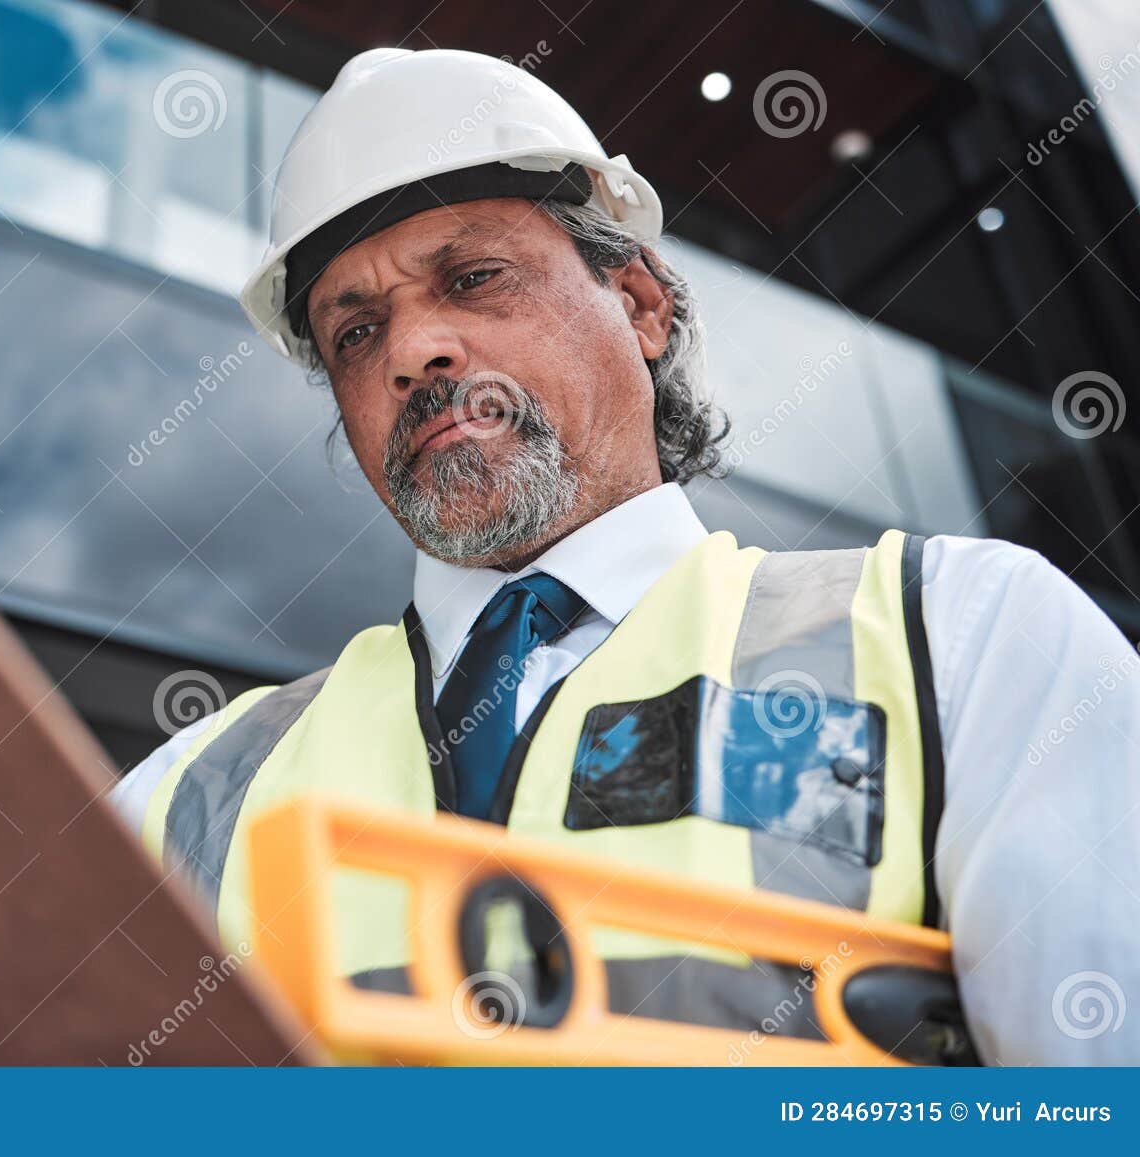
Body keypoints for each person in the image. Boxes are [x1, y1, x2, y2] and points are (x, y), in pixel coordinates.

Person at [112, 47, 1140, 1065]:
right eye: (354, 332)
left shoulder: (964, 640)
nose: (410, 351)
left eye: (473, 277)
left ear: (641, 305)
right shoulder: (186, 792)